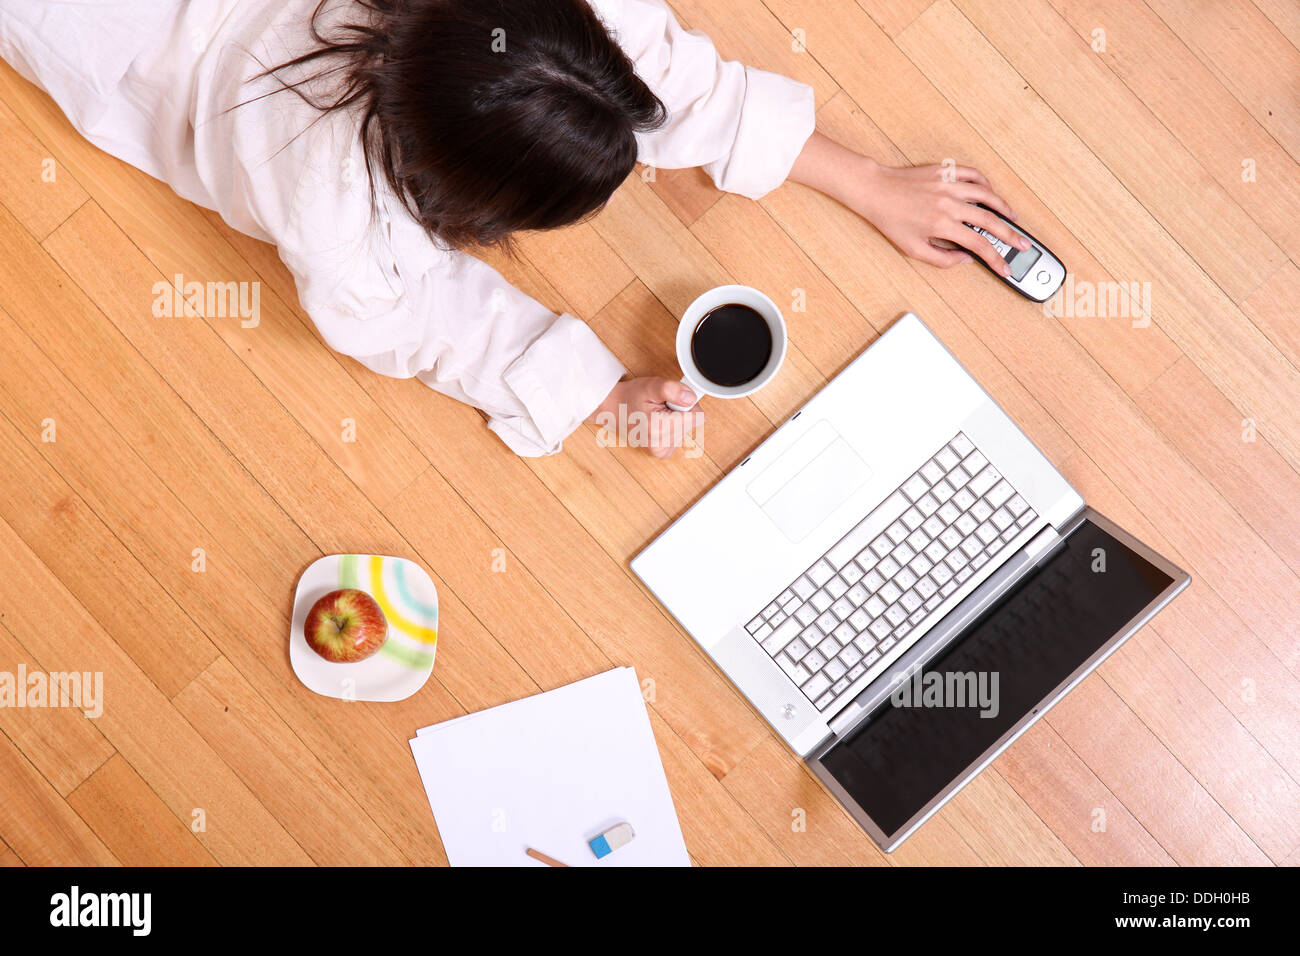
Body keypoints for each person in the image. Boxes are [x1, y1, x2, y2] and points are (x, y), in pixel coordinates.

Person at [0, 0, 1025, 458]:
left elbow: (664, 80)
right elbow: (420, 322)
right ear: (460, 210)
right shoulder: (332, 211)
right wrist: (594, 394)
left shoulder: (546, 26)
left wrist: (865, 183)